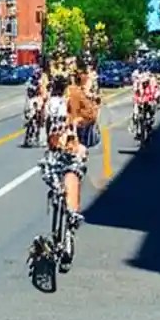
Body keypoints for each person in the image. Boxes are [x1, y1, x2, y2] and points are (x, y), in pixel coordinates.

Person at [46, 74, 87, 236]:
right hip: (66, 143)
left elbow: (46, 123)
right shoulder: (67, 100)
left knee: (55, 175)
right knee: (76, 170)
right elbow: (87, 114)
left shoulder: (51, 102)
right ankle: (72, 211)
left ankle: (66, 204)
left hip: (55, 146)